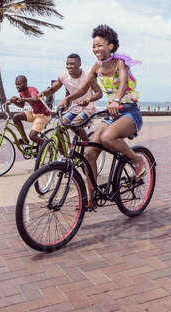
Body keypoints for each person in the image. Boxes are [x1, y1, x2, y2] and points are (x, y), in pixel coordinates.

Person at [58, 24, 145, 209]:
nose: (96, 49)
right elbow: (83, 88)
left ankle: (137, 160)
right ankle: (92, 198)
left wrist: (116, 100)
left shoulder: (120, 63)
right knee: (89, 153)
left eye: (100, 45)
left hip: (129, 112)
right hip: (112, 115)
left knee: (107, 138)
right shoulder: (97, 67)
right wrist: (67, 100)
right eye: (94, 46)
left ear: (110, 46)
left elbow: (122, 83)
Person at [36, 54, 102, 141]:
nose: (69, 66)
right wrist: (43, 93)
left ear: (79, 64)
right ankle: (62, 153)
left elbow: (99, 93)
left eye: (72, 64)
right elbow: (52, 90)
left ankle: (88, 146)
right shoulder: (63, 77)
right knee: (58, 128)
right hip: (74, 108)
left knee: (74, 125)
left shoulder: (88, 76)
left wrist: (89, 99)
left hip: (88, 109)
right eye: (67, 64)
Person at [7, 75, 51, 147]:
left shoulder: (32, 89)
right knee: (16, 117)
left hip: (43, 115)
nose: (17, 86)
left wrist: (22, 99)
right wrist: (13, 101)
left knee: (32, 136)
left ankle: (49, 147)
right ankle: (25, 139)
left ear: (25, 83)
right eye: (16, 84)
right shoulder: (21, 92)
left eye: (19, 84)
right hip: (35, 113)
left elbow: (34, 99)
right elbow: (22, 105)